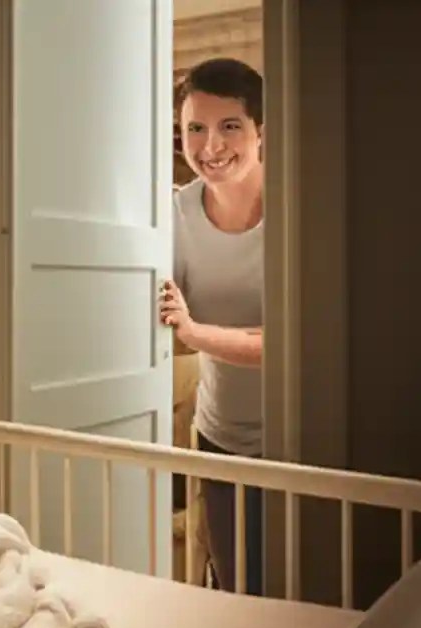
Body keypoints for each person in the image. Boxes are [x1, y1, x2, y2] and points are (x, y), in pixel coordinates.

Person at [159, 57, 266, 596]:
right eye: (194, 129)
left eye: (229, 126)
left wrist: (196, 333)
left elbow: (291, 345)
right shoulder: (174, 215)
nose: (210, 145)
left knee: (298, 591)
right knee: (235, 585)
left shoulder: (298, 212)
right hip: (220, 434)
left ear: (260, 132)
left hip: (300, 438)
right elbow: (155, 314)